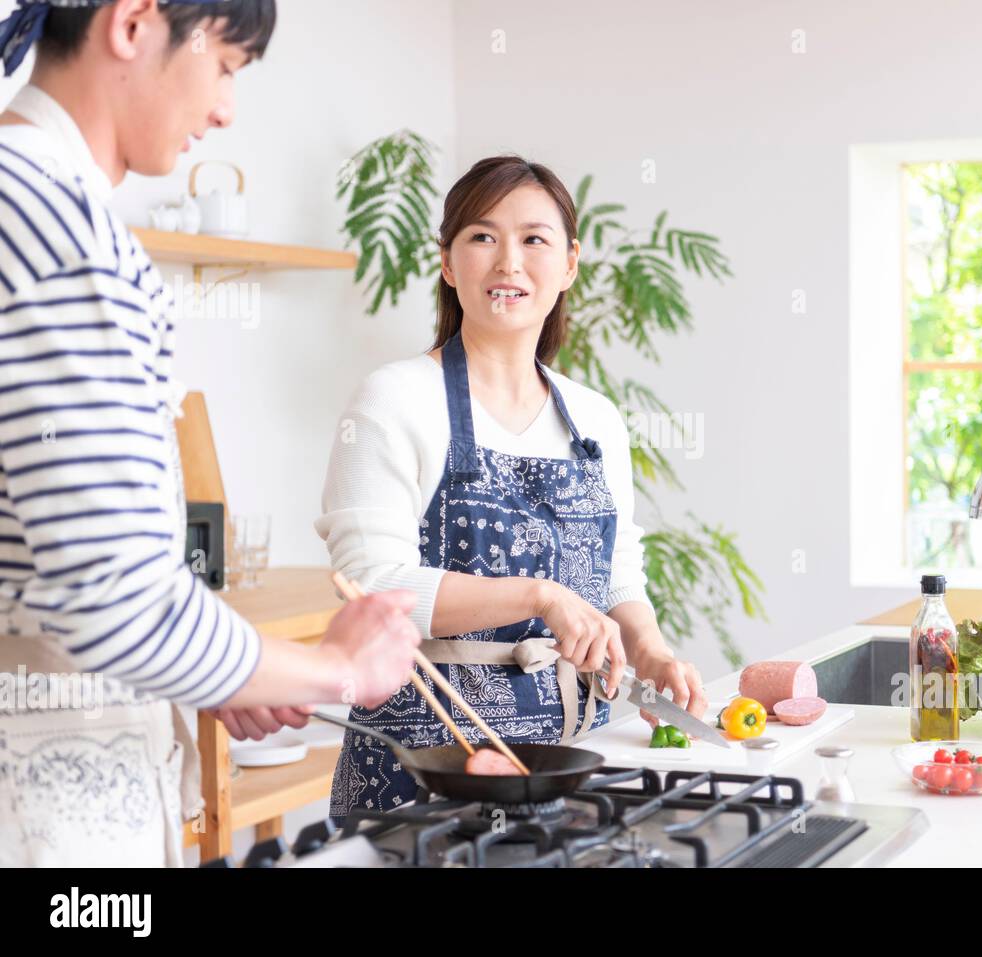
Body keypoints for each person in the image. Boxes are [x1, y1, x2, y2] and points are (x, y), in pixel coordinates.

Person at [0, 0, 421, 866]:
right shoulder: (64, 230)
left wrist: (227, 667)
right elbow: (116, 601)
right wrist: (336, 671)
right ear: (134, 22)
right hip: (46, 803)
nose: (226, 109)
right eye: (226, 65)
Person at [314, 155, 709, 818]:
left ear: (570, 262)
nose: (509, 262)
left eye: (533, 238)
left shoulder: (596, 418)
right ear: (447, 262)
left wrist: (651, 648)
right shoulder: (394, 399)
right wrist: (538, 595)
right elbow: (374, 589)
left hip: (582, 754)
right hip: (428, 767)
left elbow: (615, 576)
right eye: (481, 237)